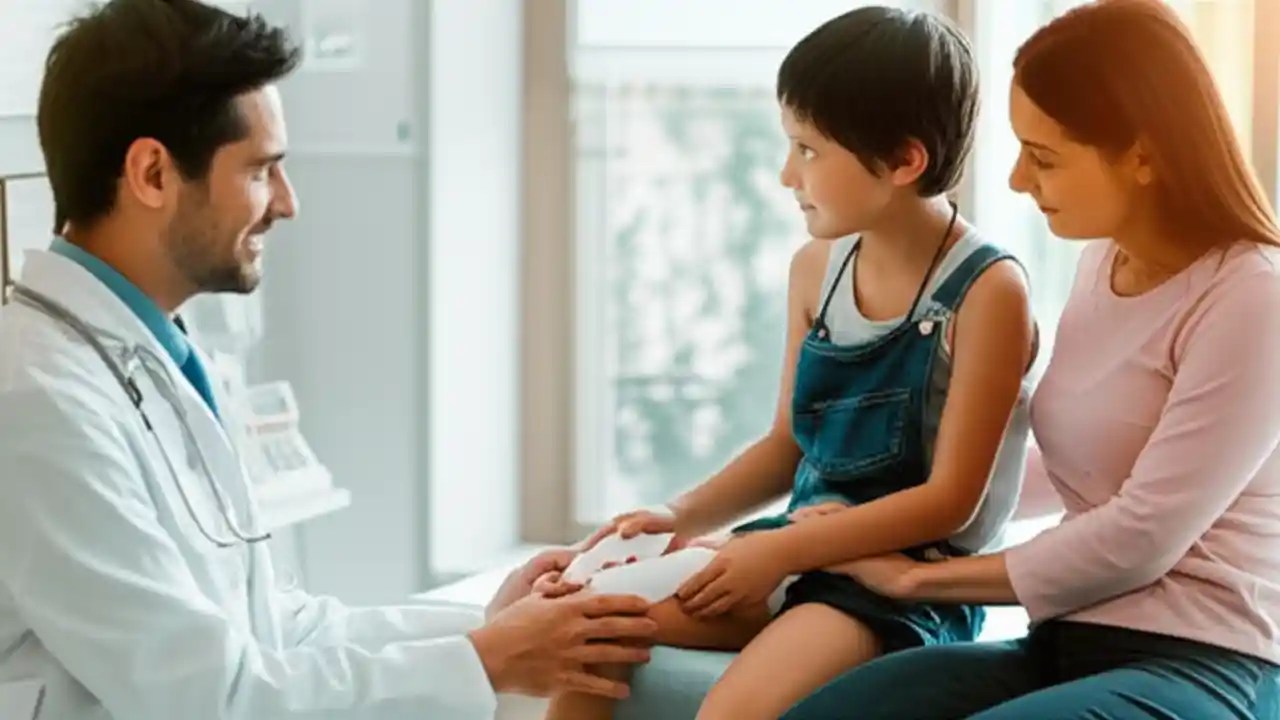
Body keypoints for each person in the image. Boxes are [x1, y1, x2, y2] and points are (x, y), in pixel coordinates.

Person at [0, 2, 656, 718]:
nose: (288, 203)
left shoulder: (148, 362)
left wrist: (490, 631)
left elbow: (275, 630)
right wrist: (486, 661)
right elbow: (208, 699)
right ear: (153, 173)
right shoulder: (37, 402)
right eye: (261, 171)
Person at [782, 1, 1280, 718]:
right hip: (1069, 639)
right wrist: (870, 517)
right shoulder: (1101, 264)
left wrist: (911, 581)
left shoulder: (1252, 297)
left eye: (1043, 157)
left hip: (1207, 657)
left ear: (1143, 154)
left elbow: (1142, 535)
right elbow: (1056, 468)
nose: (1016, 180)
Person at [540, 7, 1037, 720]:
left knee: (732, 712)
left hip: (896, 586)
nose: (784, 174)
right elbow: (787, 446)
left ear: (903, 161)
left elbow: (950, 501)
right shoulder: (816, 270)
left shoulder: (989, 292)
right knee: (589, 632)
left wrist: (781, 554)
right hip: (793, 550)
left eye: (808, 149)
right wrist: (677, 512)